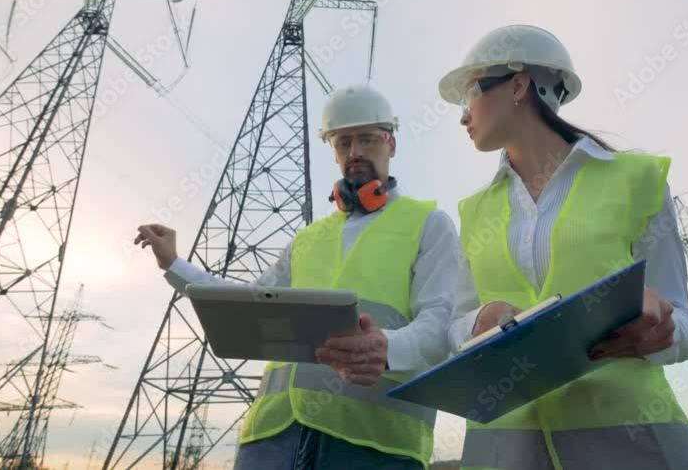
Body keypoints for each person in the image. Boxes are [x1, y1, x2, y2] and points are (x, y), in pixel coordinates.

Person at [134, 85, 460, 470]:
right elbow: (243, 304)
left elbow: (441, 325)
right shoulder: (307, 239)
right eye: (342, 142)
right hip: (272, 439)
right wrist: (174, 263)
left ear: (392, 144)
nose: (354, 152)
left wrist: (386, 348)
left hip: (374, 444)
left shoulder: (428, 224)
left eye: (367, 139)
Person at [438, 24, 688, 469]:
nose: (462, 114)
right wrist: (476, 324)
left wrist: (665, 332)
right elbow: (452, 329)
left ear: (519, 85)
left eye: (470, 92)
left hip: (630, 440)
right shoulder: (474, 212)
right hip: (504, 449)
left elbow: (685, 324)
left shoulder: (636, 181)